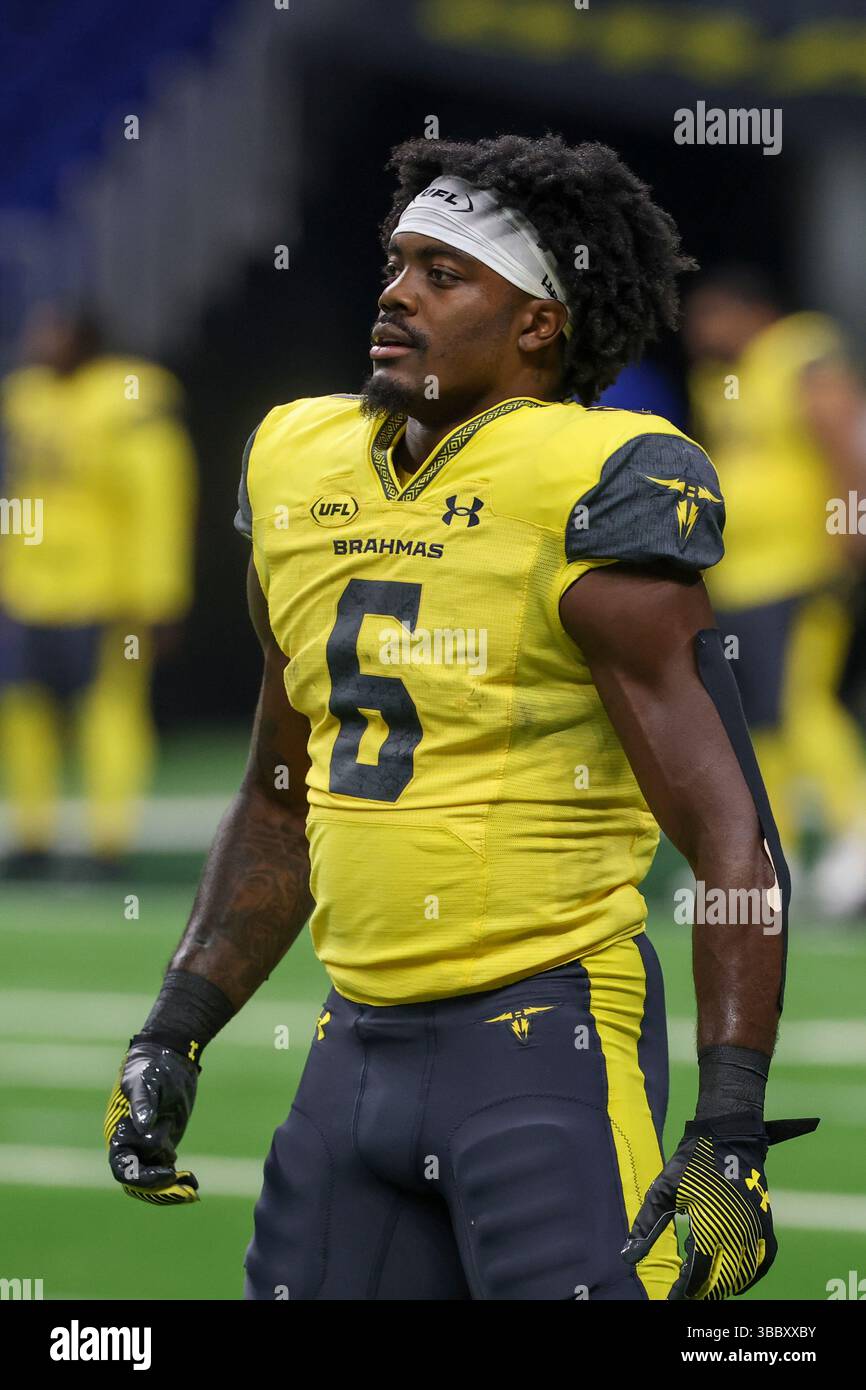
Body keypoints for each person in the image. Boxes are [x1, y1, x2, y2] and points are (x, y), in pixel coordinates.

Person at [105, 136, 816, 1301]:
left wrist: (728, 1120)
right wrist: (176, 1023)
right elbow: (280, 795)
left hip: (545, 1045)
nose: (393, 292)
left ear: (539, 321)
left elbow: (729, 835)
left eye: (444, 273)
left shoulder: (593, 474)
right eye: (396, 262)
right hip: (352, 1049)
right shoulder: (300, 459)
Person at [685, 268, 866, 917]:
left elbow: (846, 440)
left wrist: (851, 532)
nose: (702, 333)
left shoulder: (802, 352)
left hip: (803, 567)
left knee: (802, 701)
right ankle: (774, 852)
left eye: (713, 317)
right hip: (741, 573)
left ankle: (857, 833)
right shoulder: (720, 379)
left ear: (751, 309)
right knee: (756, 717)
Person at [0, 305, 197, 878]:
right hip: (28, 585)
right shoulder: (24, 397)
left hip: (104, 588)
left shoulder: (131, 397)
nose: (41, 340)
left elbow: (160, 499)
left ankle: (108, 841)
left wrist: (160, 594)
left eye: (54, 329)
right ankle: (33, 836)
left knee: (108, 712)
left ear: (88, 339)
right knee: (23, 709)